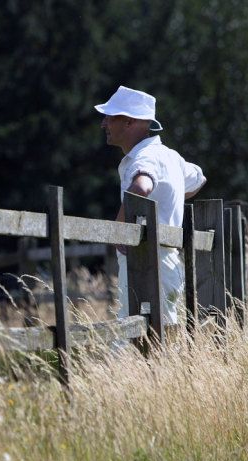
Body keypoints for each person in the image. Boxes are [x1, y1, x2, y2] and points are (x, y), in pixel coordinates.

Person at [95, 85, 206, 328]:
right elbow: (197, 178)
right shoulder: (169, 156)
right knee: (161, 334)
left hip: (146, 261)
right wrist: (171, 197)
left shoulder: (144, 158)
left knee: (132, 334)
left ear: (130, 122)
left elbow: (142, 187)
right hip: (166, 261)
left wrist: (119, 230)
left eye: (111, 116)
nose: (104, 123)